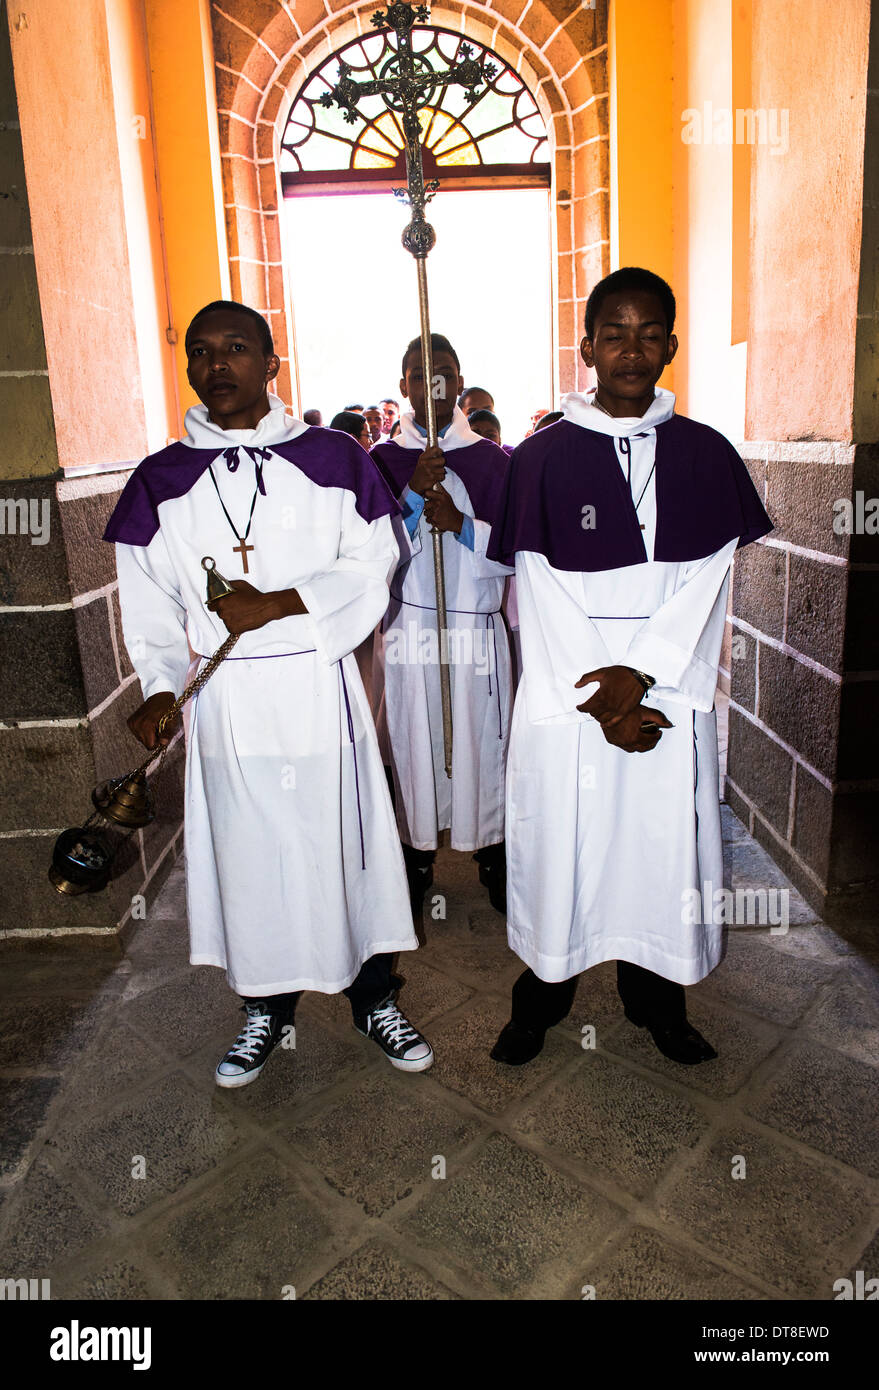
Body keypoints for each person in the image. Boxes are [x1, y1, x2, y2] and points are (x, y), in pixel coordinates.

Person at [105, 300, 433, 1086]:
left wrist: (279, 603)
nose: (217, 365)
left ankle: (371, 994)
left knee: (340, 847)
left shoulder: (332, 457)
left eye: (236, 349)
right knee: (253, 859)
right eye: (201, 351)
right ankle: (264, 1007)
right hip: (227, 702)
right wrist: (158, 687)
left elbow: (373, 561)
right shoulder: (161, 479)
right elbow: (146, 602)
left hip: (316, 684)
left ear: (271, 363)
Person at [487, 267, 772, 1067]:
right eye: (614, 332)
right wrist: (601, 693)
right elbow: (535, 589)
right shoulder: (539, 458)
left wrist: (638, 677)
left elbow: (708, 579)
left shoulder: (706, 453)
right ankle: (539, 999)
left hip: (665, 690)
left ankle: (658, 1003)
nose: (631, 348)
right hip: (569, 691)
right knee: (563, 850)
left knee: (655, 850)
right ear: (586, 345)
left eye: (649, 333)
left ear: (671, 346)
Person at [370, 333, 513, 914]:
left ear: (459, 380)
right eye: (417, 374)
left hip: (476, 628)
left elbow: (519, 552)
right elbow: (362, 554)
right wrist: (408, 497)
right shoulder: (379, 462)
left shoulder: (493, 461)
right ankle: (415, 858)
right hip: (411, 627)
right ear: (402, 384)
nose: (431, 384)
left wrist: (461, 523)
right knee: (414, 742)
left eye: (444, 372)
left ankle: (495, 856)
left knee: (485, 745)